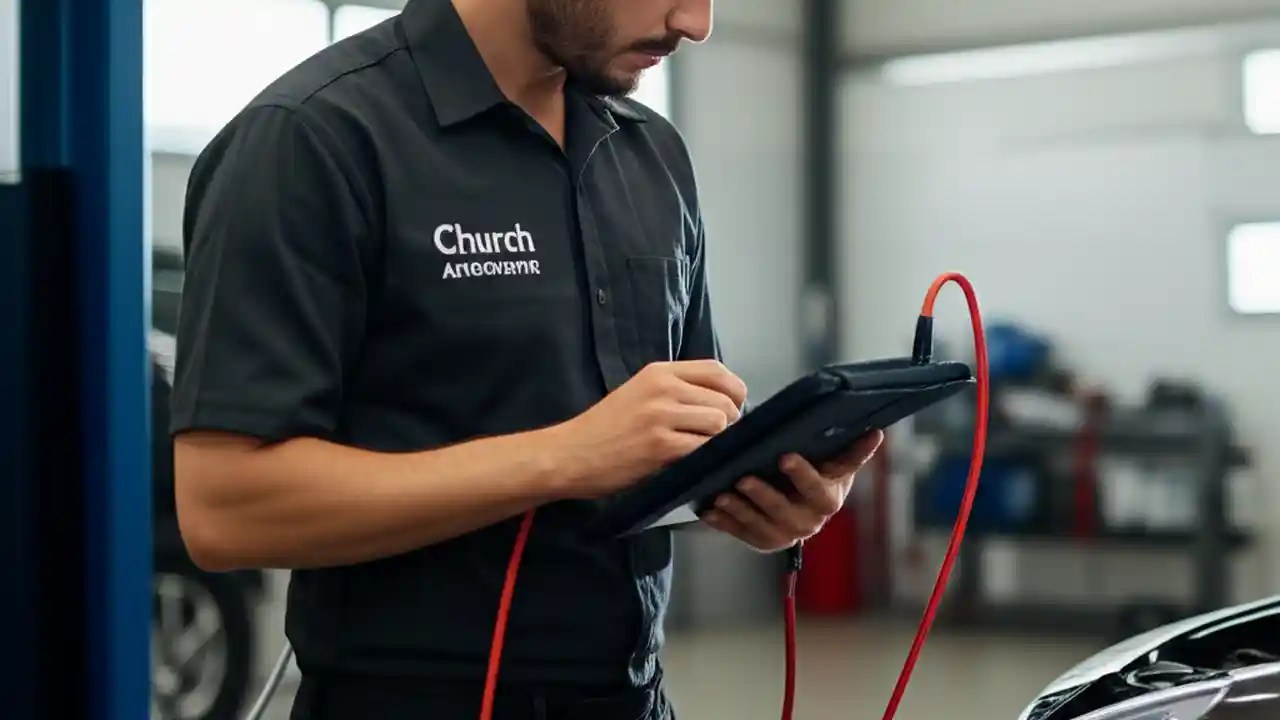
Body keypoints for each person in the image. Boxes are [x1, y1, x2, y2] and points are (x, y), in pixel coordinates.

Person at [169, 0, 883, 718]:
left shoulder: (650, 154)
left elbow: (670, 449)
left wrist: (764, 485)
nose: (696, 23)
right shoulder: (313, 140)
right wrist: (565, 456)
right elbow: (225, 508)